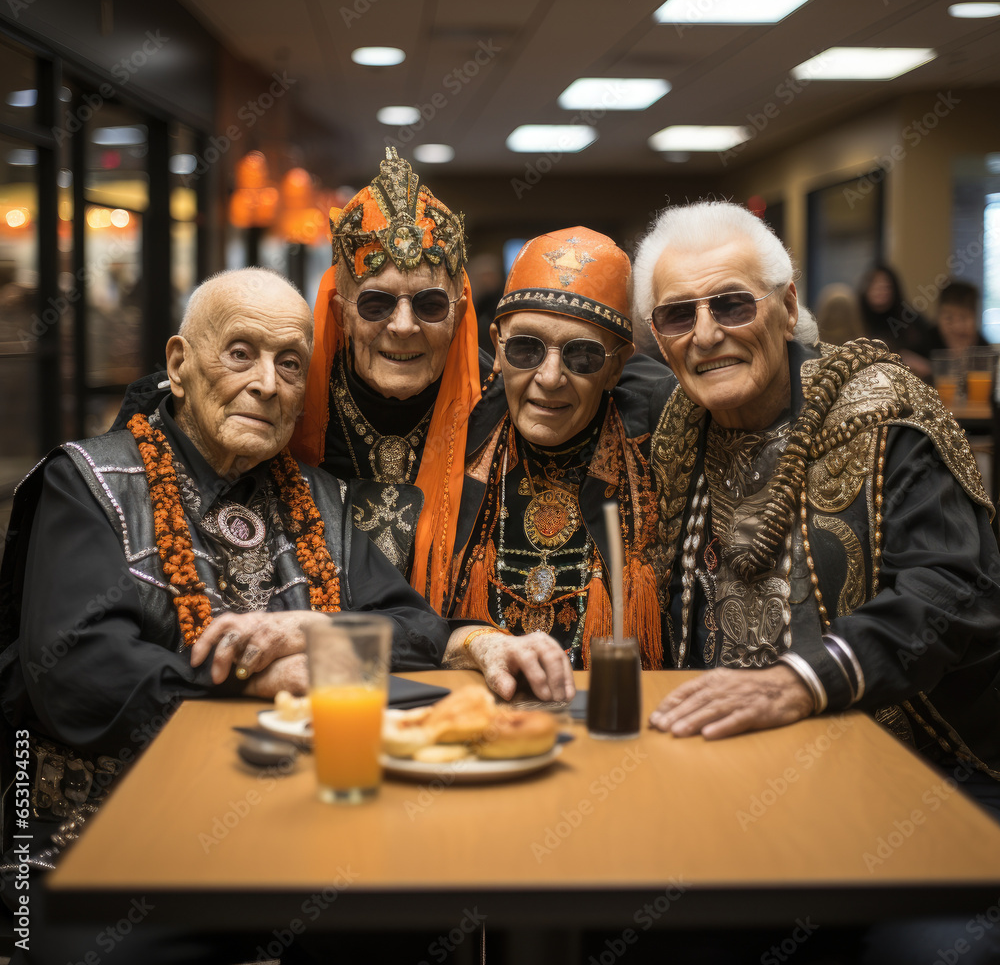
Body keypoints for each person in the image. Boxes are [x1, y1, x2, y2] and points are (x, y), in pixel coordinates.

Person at [0, 268, 454, 885]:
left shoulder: (325, 500)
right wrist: (254, 682)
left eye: (290, 364)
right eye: (241, 354)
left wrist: (310, 633)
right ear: (179, 364)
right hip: (117, 844)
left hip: (300, 832)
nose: (267, 384)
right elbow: (77, 670)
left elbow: (417, 631)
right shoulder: (88, 483)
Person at [628, 201, 1000, 811]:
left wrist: (801, 682)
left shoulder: (882, 409)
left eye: (732, 304)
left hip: (910, 772)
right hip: (717, 756)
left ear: (787, 307)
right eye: (677, 315)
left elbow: (948, 589)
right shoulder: (675, 425)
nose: (706, 335)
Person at [445, 227, 673, 690]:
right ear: (498, 345)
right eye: (526, 348)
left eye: (582, 356)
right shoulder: (454, 436)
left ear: (616, 366)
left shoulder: (663, 441)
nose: (549, 377)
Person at [290, 147, 490, 615]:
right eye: (377, 304)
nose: (403, 326)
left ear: (459, 313)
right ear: (341, 314)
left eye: (430, 305)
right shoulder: (289, 400)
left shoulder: (499, 404)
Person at [857, 263, 937, 380]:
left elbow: (931, 361)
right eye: (875, 285)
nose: (880, 291)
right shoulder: (856, 318)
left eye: (886, 287)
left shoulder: (910, 319)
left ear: (895, 290)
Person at [934, 279, 990, 353]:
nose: (957, 327)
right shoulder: (925, 343)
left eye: (964, 318)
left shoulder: (985, 350)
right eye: (949, 318)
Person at [814, 281, 864, 346]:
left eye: (842, 311)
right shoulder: (862, 345)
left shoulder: (813, 344)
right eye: (834, 309)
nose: (838, 315)